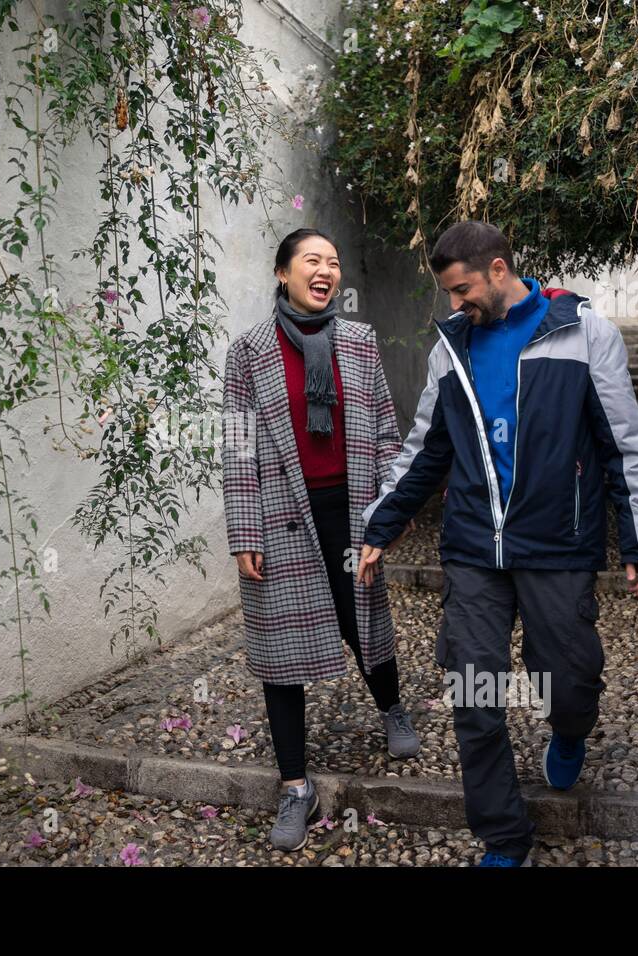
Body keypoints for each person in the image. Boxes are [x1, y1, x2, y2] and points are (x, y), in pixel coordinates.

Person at [357, 221, 638, 867]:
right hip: (473, 550)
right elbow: (424, 449)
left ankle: (571, 728)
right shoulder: (453, 349)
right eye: (447, 292)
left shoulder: (583, 334)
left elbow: (623, 441)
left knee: (568, 679)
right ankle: (504, 835)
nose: (454, 304)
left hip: (558, 543)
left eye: (462, 288)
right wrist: (380, 527)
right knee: (474, 693)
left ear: (499, 270)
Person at [221, 227, 421, 853]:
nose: (326, 270)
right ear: (282, 272)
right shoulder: (246, 352)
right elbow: (238, 449)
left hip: (351, 507)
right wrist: (243, 530)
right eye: (312, 260)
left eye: (333, 262)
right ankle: (295, 787)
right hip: (280, 514)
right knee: (279, 651)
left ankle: (391, 707)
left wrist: (389, 510)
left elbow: (388, 430)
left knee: (364, 617)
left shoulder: (360, 343)